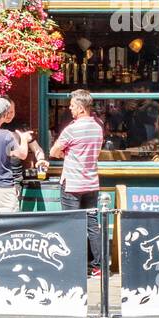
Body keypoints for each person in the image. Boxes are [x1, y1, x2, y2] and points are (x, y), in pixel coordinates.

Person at [50, 89, 105, 275]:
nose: (70, 109)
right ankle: (98, 266)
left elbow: (54, 151)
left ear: (81, 108)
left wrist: (64, 152)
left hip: (72, 183)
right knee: (92, 224)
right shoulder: (98, 127)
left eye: (72, 106)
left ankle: (75, 265)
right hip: (91, 183)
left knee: (72, 223)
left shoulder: (72, 129)